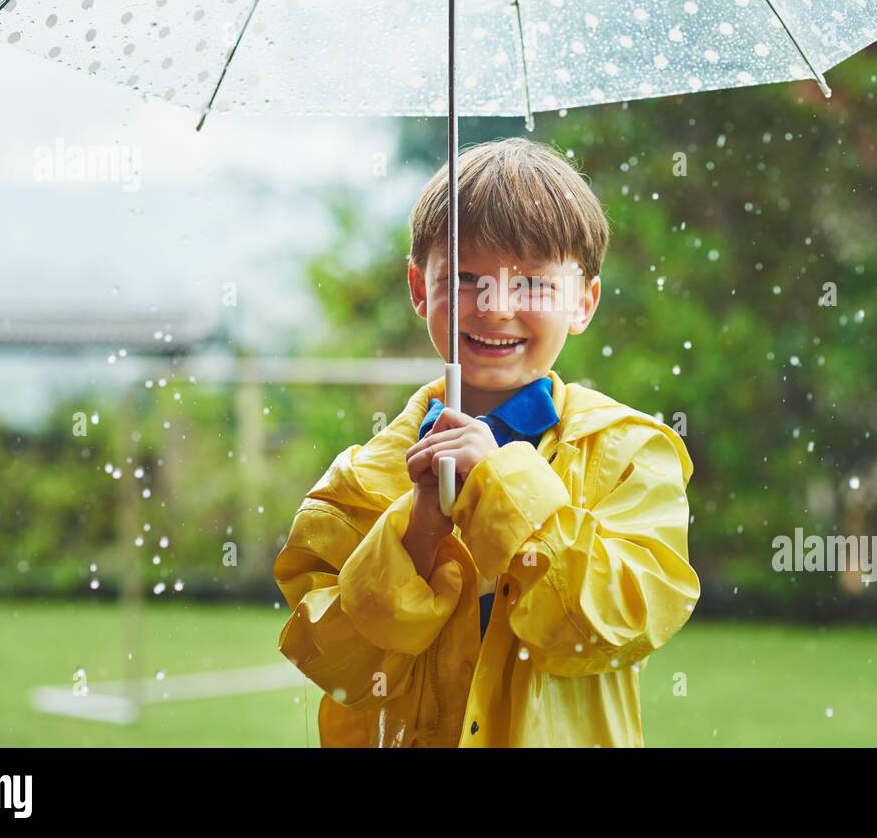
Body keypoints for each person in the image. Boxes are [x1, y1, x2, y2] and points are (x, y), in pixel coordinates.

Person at [273, 137, 699, 747]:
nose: (496, 307)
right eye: (466, 278)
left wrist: (502, 488)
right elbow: (339, 667)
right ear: (420, 289)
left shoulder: (630, 455)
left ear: (584, 301)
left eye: (532, 284)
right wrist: (416, 531)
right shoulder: (363, 478)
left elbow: (615, 625)